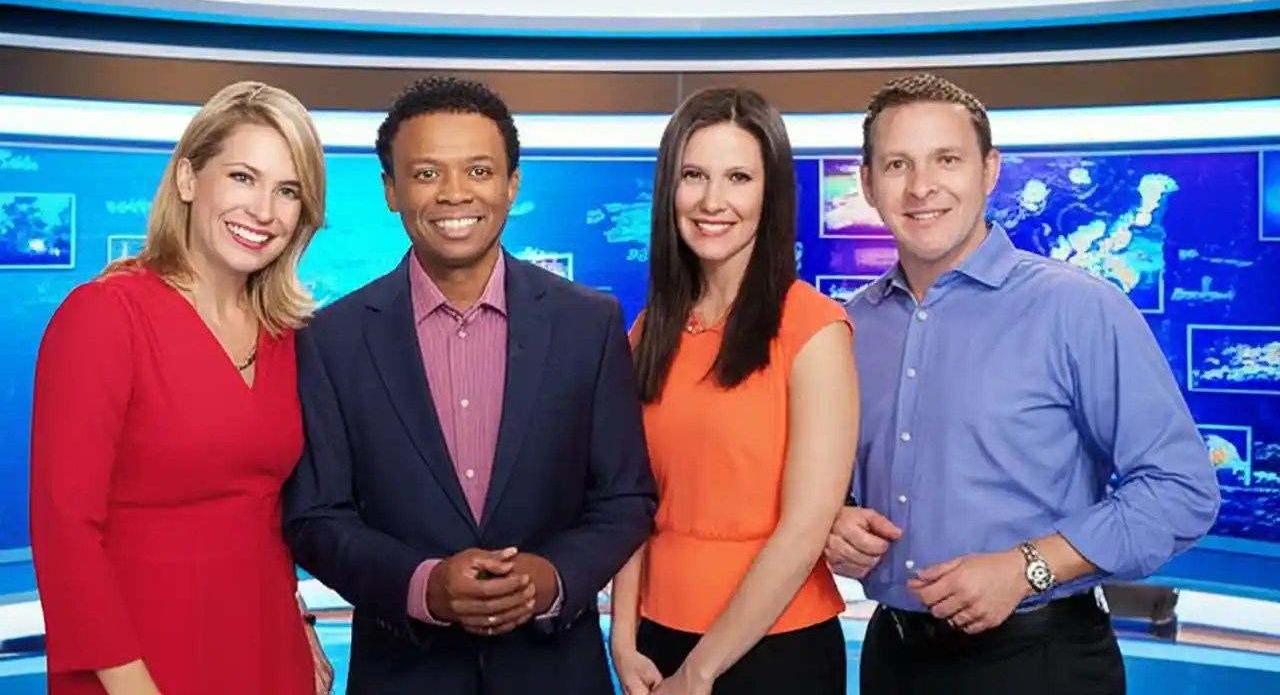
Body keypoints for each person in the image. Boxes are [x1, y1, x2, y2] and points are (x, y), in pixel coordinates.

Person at [826, 72, 1222, 694]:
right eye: (898, 163)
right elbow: (841, 480)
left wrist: (1027, 567)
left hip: (1039, 660)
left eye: (946, 160)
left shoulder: (1079, 310)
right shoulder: (848, 327)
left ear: (988, 171)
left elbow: (1181, 492)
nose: (922, 185)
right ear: (869, 183)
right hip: (892, 655)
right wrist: (835, 522)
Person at [281, 75, 657, 694]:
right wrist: (423, 584)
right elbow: (318, 518)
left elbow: (625, 497)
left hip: (556, 674)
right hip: (404, 674)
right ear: (391, 190)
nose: (455, 194)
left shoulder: (590, 323)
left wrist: (550, 578)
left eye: (479, 171)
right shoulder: (332, 339)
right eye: (426, 174)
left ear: (512, 184)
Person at [29, 81, 333, 695]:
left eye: (287, 190)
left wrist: (299, 619)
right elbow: (65, 531)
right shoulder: (105, 316)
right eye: (243, 178)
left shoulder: (286, 334)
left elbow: (265, 511)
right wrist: (130, 684)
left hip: (265, 645)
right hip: (134, 661)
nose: (264, 211)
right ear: (190, 179)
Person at [609, 86, 860, 695]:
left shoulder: (814, 329)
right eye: (693, 175)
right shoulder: (650, 330)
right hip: (654, 640)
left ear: (769, 194)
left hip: (775, 648)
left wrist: (701, 671)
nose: (712, 201)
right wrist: (621, 638)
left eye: (739, 177)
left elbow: (805, 531)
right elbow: (627, 498)